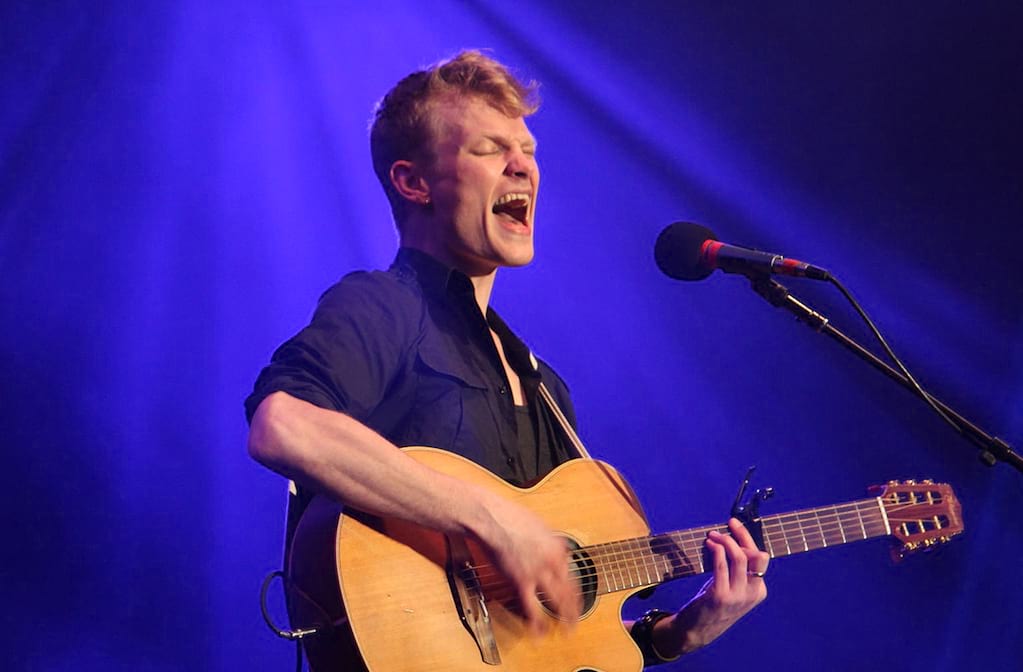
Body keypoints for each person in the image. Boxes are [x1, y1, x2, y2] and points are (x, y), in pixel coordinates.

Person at [245, 50, 769, 667]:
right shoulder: (383, 306)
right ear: (414, 182)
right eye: (490, 149)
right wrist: (487, 518)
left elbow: (560, 638)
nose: (523, 165)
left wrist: (677, 634)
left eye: (527, 149)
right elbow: (284, 425)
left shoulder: (543, 385)